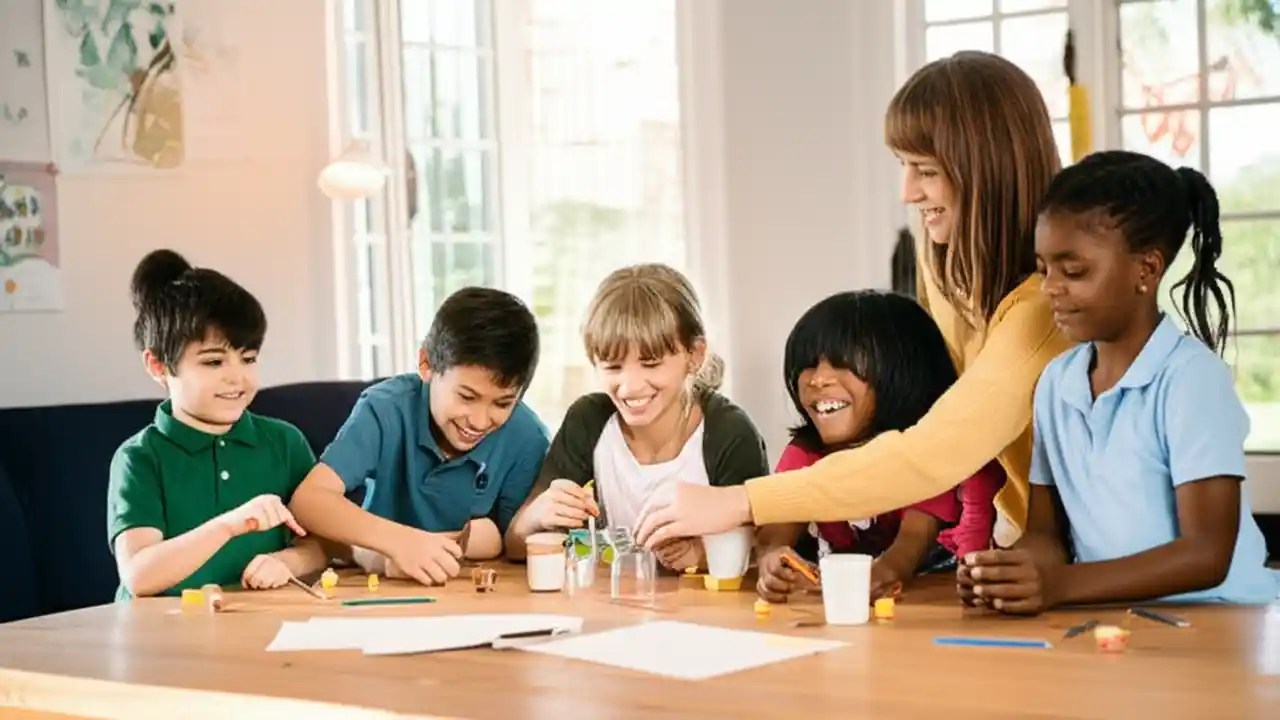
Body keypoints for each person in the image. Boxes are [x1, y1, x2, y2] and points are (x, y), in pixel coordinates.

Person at [635, 51, 1073, 551]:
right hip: (1021, 543)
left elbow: (936, 450)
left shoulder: (1041, 310)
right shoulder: (946, 264)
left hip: (1081, 556)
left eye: (925, 170)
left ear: (986, 173)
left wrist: (743, 501)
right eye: (903, 166)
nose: (908, 192)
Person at [960, 151, 1280, 611]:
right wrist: (1008, 573)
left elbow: (1207, 554)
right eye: (1044, 268)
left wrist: (1060, 586)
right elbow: (1046, 536)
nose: (1050, 287)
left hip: (1222, 616)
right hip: (1120, 621)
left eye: (1073, 271)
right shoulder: (1057, 384)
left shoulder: (1191, 380)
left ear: (1146, 270)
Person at [504, 264, 767, 571]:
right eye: (613, 367)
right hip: (610, 609)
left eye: (651, 364)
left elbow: (765, 545)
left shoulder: (729, 432)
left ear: (694, 356)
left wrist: (702, 554)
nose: (630, 387)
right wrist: (535, 517)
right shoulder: (588, 422)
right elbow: (515, 543)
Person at [288, 287, 549, 586]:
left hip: (474, 590)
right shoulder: (385, 407)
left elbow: (512, 540)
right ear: (426, 363)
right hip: (378, 586)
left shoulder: (528, 437)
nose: (479, 420)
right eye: (466, 396)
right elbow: (309, 500)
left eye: (502, 403)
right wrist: (401, 543)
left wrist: (455, 543)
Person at [755, 291, 1005, 602]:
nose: (818, 379)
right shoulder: (805, 453)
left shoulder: (925, 452)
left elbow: (907, 550)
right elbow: (774, 535)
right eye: (808, 365)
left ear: (902, 370)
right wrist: (772, 560)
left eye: (842, 363)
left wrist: (879, 575)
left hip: (936, 600)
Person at [107, 250, 324, 598]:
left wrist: (289, 561)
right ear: (158, 366)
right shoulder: (139, 458)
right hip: (158, 638)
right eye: (213, 362)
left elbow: (323, 544)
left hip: (255, 627)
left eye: (248, 359)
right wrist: (229, 525)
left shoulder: (285, 442)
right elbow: (139, 576)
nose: (237, 378)